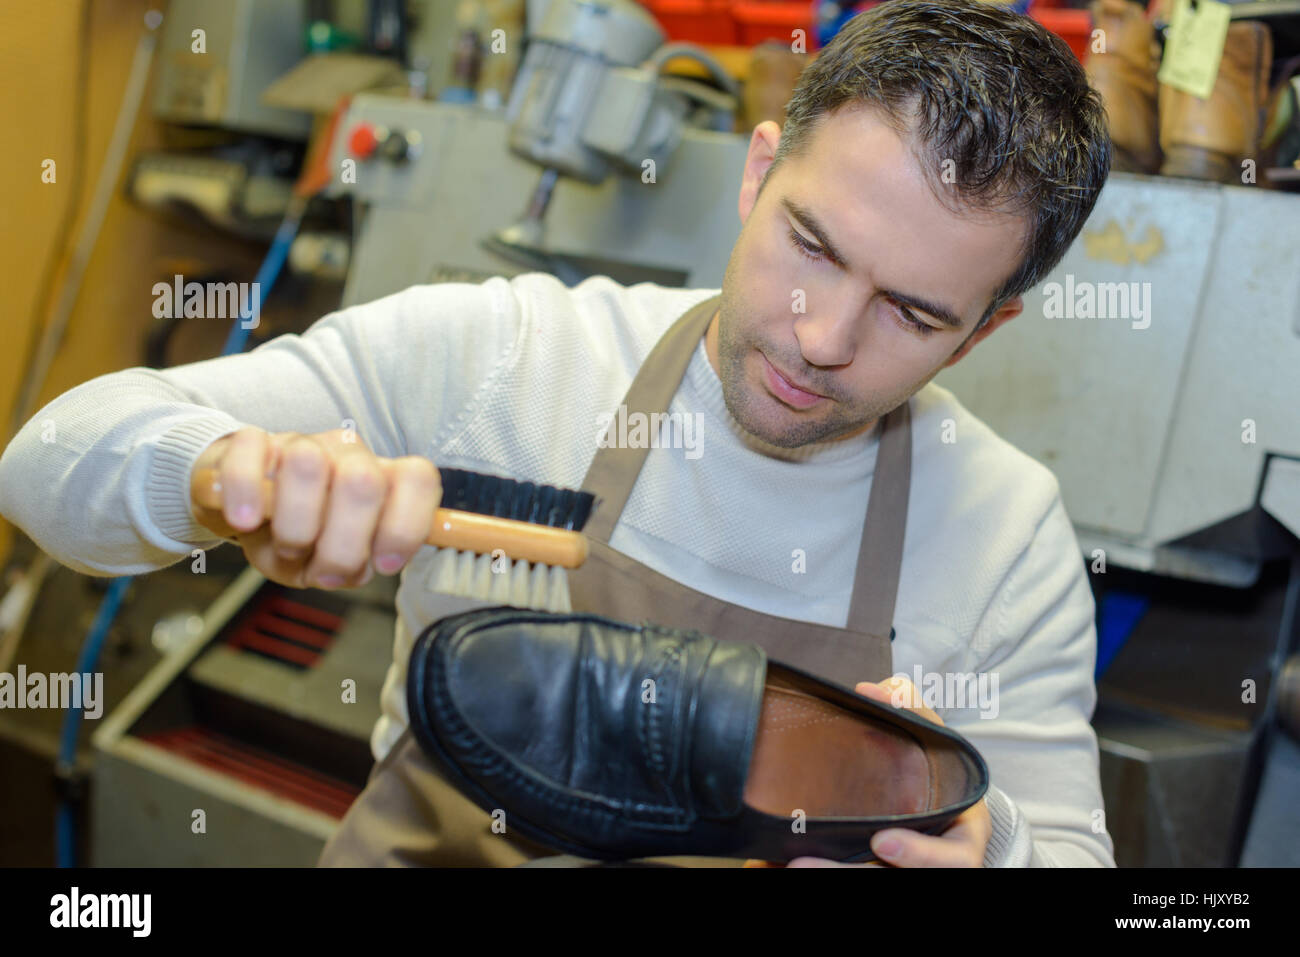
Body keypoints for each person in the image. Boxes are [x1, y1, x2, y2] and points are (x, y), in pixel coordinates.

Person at [0, 0, 1114, 867]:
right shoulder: (512, 357)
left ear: (980, 333)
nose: (820, 337)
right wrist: (214, 476)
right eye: (811, 245)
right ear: (759, 170)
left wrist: (987, 848)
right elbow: (45, 463)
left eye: (912, 314)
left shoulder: (1003, 536)